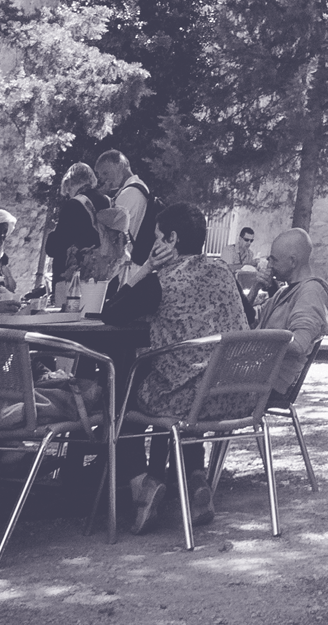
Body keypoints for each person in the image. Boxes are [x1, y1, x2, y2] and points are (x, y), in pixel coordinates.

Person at [102, 204, 248, 534]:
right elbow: (247, 315)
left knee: (121, 396)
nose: (152, 244)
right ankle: (196, 477)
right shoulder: (224, 271)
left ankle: (143, 483)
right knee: (192, 378)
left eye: (156, 237)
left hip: (183, 399)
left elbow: (112, 314)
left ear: (171, 238)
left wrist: (146, 268)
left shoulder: (161, 281)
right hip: (233, 395)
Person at [250, 228, 328, 396]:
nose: (269, 265)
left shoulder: (311, 293)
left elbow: (298, 344)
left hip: (268, 384)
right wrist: (256, 288)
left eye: (274, 260)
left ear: (292, 261)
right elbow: (246, 319)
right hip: (256, 377)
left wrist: (256, 341)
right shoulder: (284, 292)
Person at [46, 162, 112, 293]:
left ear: (69, 183)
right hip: (102, 273)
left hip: (76, 278)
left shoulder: (74, 205)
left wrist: (51, 236)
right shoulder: (107, 201)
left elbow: (56, 247)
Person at [95, 149, 158, 266]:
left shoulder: (129, 194)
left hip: (125, 267)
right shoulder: (137, 188)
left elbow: (110, 237)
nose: (103, 179)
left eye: (105, 173)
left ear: (121, 165)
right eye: (100, 175)